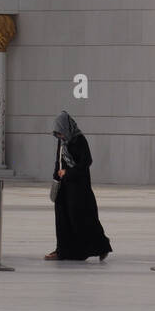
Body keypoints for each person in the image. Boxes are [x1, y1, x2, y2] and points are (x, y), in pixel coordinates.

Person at [44, 112, 112, 262]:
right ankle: (62, 250)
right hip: (64, 187)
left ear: (67, 128)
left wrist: (68, 173)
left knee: (83, 218)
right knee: (62, 219)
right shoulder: (62, 142)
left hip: (79, 187)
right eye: (58, 134)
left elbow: (86, 162)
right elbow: (59, 162)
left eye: (61, 132)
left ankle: (101, 247)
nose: (60, 136)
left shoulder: (79, 140)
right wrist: (56, 178)